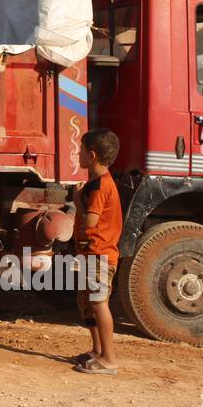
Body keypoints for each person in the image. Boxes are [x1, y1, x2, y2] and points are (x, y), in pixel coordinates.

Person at [70, 129, 123, 377]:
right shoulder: (96, 182)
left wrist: (78, 199)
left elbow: (90, 222)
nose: (77, 154)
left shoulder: (101, 187)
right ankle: (97, 351)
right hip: (90, 254)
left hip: (100, 255)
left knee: (99, 303)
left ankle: (110, 359)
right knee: (88, 303)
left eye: (81, 150)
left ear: (91, 155)